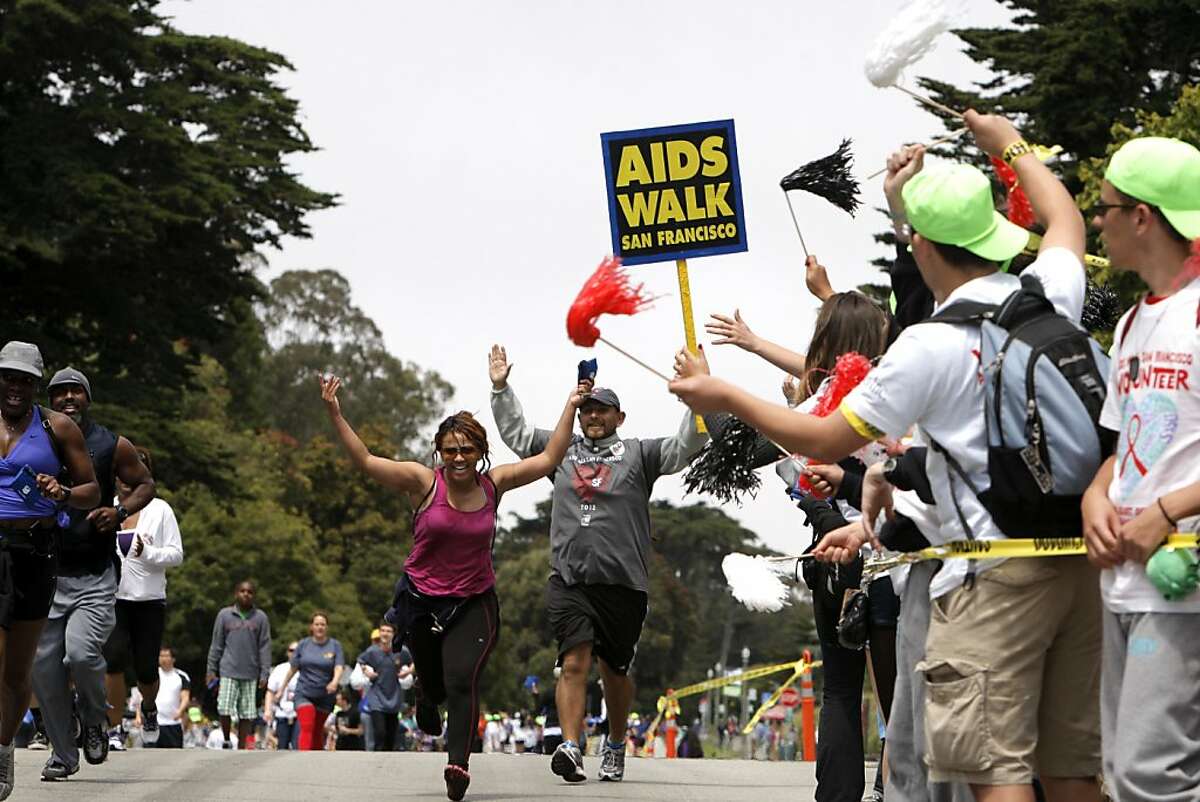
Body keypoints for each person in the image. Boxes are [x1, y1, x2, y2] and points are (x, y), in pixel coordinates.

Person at [670, 111, 1101, 802]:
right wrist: (1008, 145)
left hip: (990, 576)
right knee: (1072, 770)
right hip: (1079, 562)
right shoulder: (1050, 292)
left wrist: (722, 391)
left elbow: (822, 439)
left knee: (994, 772)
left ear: (922, 246)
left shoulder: (925, 348)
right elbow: (1065, 220)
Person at [322, 372, 582, 801]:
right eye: (450, 450)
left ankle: (457, 763)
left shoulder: (493, 485)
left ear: (480, 452)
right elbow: (367, 461)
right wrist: (335, 413)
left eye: (467, 450)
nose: (458, 458)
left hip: (473, 601)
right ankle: (426, 693)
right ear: (439, 453)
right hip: (421, 601)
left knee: (462, 678)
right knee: (437, 682)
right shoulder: (423, 483)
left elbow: (550, 458)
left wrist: (571, 404)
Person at [488, 344, 709, 785]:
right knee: (573, 662)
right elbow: (516, 433)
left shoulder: (640, 453)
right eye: (587, 409)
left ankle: (613, 741)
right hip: (570, 580)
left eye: (602, 410)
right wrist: (500, 388)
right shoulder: (560, 450)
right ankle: (571, 746)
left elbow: (689, 445)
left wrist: (697, 394)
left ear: (619, 417)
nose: (593, 416)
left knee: (615, 672)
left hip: (624, 585)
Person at [1079, 136, 1200, 801]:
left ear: (1144, 217)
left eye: (1106, 208)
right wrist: (1095, 500)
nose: (1098, 221)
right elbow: (1117, 450)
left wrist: (1165, 512)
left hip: (1183, 591)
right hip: (1124, 588)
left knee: (1152, 777)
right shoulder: (1129, 324)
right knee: (1127, 775)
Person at [34, 366, 155, 782]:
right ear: (49, 400)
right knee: (43, 669)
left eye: (76, 391)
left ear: (88, 397)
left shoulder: (110, 443)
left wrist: (119, 511)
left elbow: (145, 484)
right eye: (60, 392)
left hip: (94, 576)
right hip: (45, 573)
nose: (68, 398)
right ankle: (63, 754)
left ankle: (93, 720)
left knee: (82, 654)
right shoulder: (35, 441)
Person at [0, 344, 100, 798]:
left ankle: (3, 756)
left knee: (16, 673)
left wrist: (60, 492)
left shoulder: (56, 427)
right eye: (7, 377)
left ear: (35, 385)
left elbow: (91, 492)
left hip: (33, 553)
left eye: (24, 379)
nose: (15, 387)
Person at [102, 446, 183, 750]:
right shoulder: (107, 506)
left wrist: (147, 552)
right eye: (122, 468)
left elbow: (176, 554)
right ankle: (113, 727)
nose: (128, 475)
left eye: (136, 467)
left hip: (149, 600)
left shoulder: (160, 509)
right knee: (112, 661)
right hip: (113, 597)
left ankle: (148, 708)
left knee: (146, 668)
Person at [206, 580, 272, 750]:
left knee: (247, 713)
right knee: (224, 708)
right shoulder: (225, 615)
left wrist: (265, 673)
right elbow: (216, 644)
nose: (246, 594)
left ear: (253, 595)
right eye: (242, 591)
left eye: (249, 592)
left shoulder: (260, 618)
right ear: (236, 593)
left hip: (250, 672)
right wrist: (211, 670)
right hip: (228, 669)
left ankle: (242, 745)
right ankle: (227, 738)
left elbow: (264, 647)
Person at [279, 611, 344, 752]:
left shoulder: (335, 645)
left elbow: (339, 667)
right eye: (317, 624)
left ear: (327, 627)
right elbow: (293, 669)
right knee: (307, 725)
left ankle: (316, 761)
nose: (320, 627)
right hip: (304, 692)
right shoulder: (303, 645)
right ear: (312, 627)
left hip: (325, 695)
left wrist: (334, 681)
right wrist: (281, 688)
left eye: (323, 624)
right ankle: (304, 758)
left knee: (317, 730)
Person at [356, 622, 412, 752]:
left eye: (388, 631)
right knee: (380, 733)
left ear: (393, 634)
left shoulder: (401, 651)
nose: (385, 634)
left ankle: (386, 763)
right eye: (383, 631)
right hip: (377, 698)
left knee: (391, 736)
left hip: (394, 698)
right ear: (379, 633)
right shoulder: (372, 651)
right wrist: (367, 671)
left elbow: (414, 662)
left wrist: (408, 672)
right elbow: (360, 660)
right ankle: (376, 760)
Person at [130, 646, 190, 749]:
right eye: (161, 656)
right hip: (152, 725)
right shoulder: (153, 674)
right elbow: (142, 696)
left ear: (173, 659)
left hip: (172, 724)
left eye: (166, 656)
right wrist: (138, 716)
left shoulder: (181, 676)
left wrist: (180, 711)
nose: (163, 659)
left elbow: (185, 697)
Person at [264, 641, 300, 750]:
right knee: (282, 746)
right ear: (287, 653)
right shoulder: (279, 669)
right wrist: (267, 710)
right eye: (291, 650)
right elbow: (270, 691)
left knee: (297, 745)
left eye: (296, 651)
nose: (294, 653)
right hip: (282, 713)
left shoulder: (306, 669)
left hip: (299, 714)